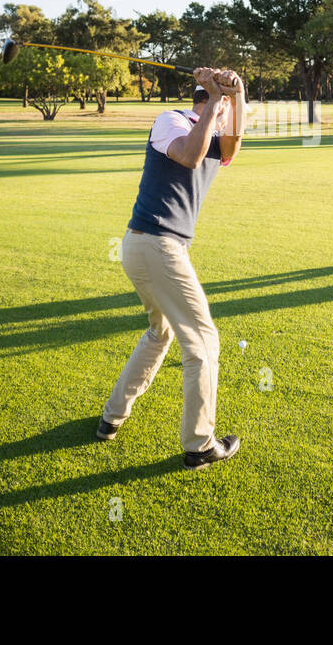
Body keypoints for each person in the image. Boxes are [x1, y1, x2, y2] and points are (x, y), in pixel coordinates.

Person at [98, 67, 245, 470]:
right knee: (202, 342)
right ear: (206, 98)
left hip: (152, 247)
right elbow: (189, 156)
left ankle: (111, 417)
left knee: (159, 331)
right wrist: (219, 98)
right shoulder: (171, 121)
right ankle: (199, 445)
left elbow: (232, 147)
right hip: (155, 245)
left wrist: (239, 92)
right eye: (221, 102)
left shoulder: (214, 134)